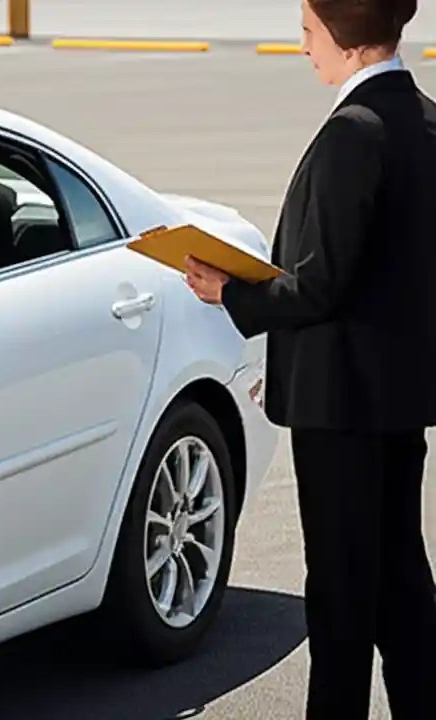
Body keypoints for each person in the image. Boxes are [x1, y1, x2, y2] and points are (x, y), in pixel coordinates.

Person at [183, 1, 436, 717]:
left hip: (342, 409)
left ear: (344, 39)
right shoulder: (423, 119)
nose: (302, 48)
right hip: (394, 397)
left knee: (341, 597)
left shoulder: (353, 133)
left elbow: (320, 284)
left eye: (306, 32)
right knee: (399, 580)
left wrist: (226, 289)